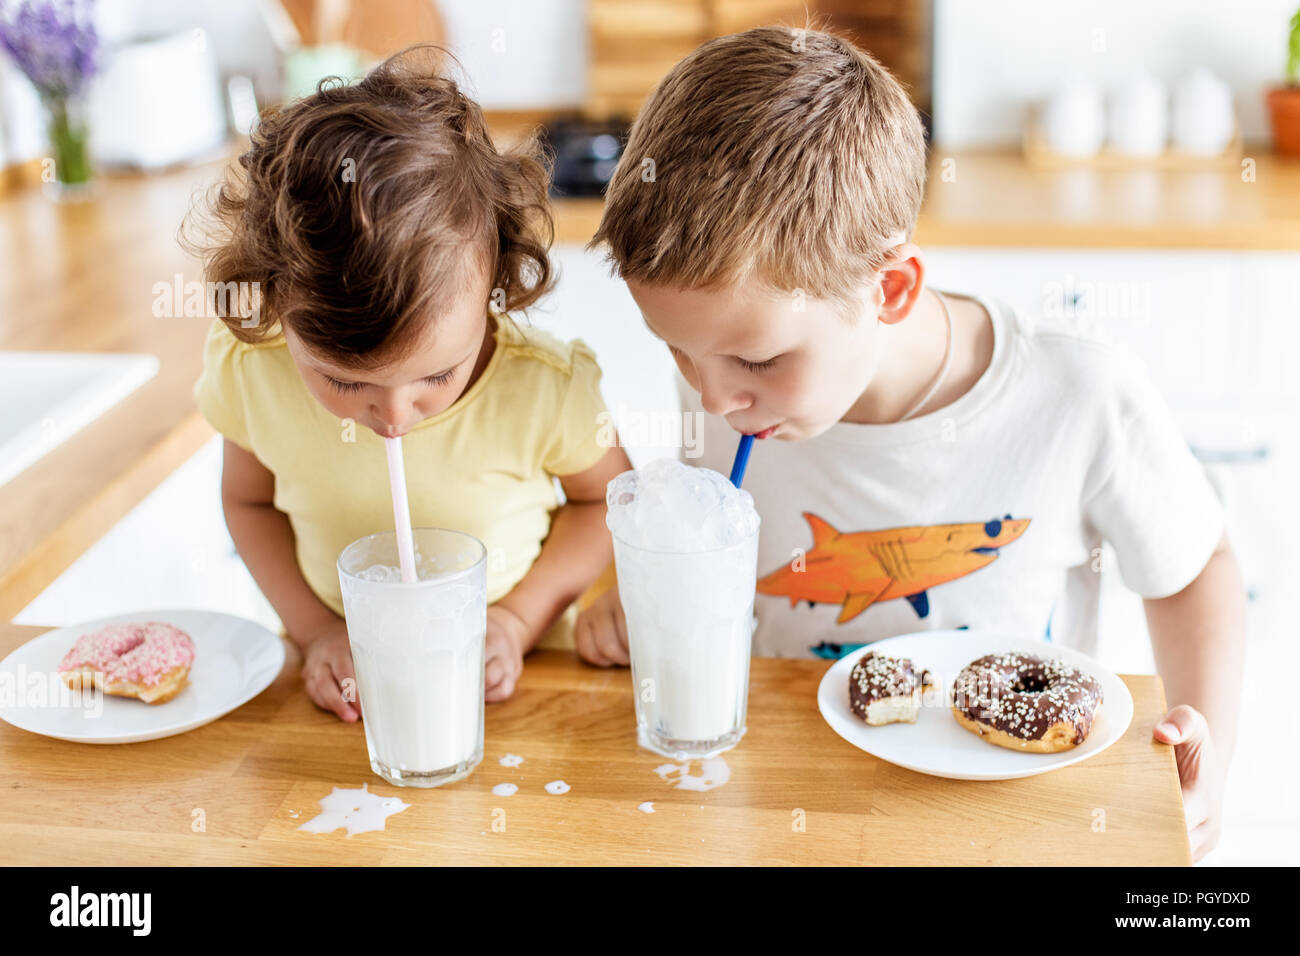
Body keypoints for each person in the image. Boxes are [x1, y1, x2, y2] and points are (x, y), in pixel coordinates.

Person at [576, 25, 1245, 862]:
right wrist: (633, 604)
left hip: (1013, 828)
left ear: (889, 288)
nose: (713, 396)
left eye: (755, 358)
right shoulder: (734, 390)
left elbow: (1197, 569)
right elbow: (714, 559)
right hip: (800, 813)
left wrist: (1208, 755)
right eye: (676, 350)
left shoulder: (1079, 399)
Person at [186, 46, 630, 720]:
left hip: (520, 689)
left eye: (437, 375)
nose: (393, 416)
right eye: (342, 380)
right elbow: (248, 507)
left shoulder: (542, 389)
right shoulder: (253, 370)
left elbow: (605, 505)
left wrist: (517, 619)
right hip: (334, 688)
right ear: (275, 302)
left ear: (496, 286)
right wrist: (316, 634)